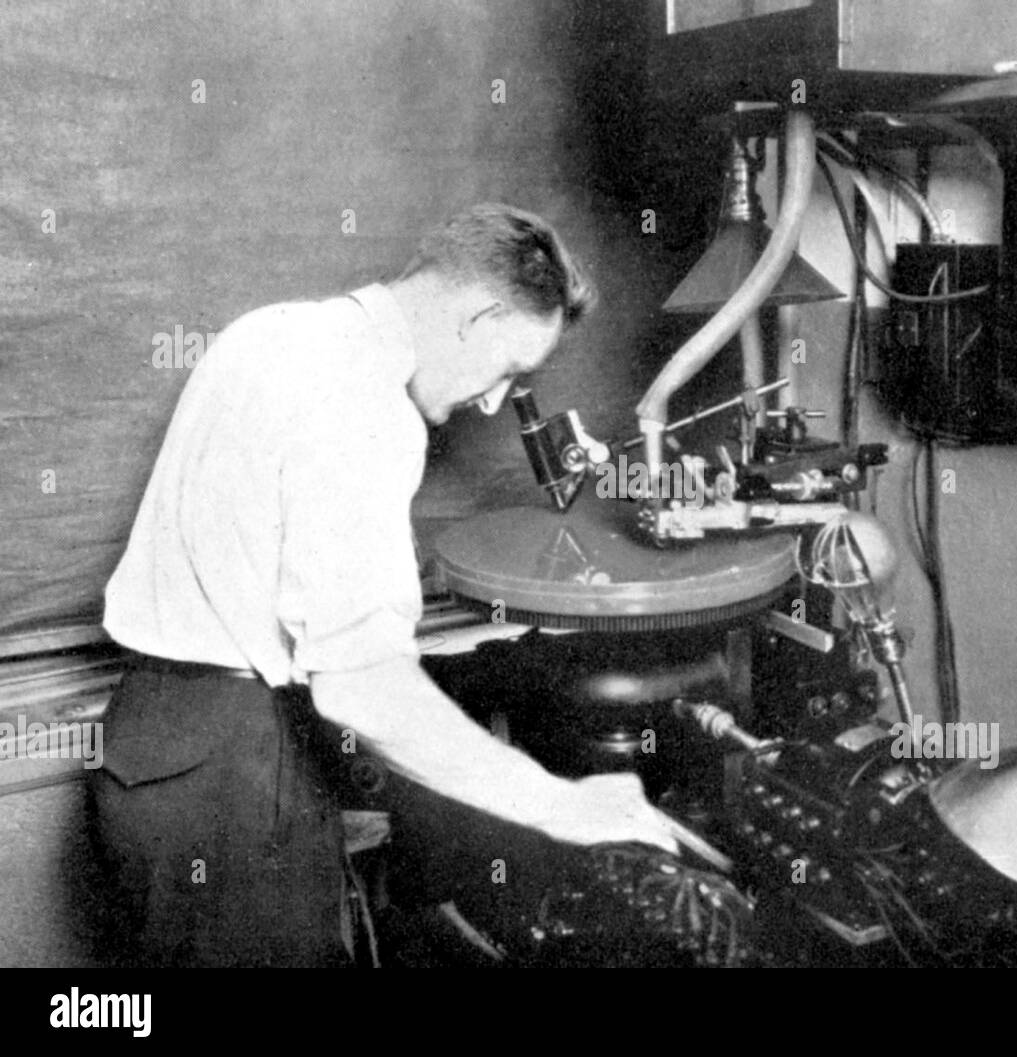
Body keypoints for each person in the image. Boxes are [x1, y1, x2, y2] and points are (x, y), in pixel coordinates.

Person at [91, 203, 679, 967]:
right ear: (479, 314)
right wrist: (563, 805)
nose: (498, 401)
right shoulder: (365, 404)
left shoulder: (271, 332)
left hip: (145, 751)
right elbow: (360, 689)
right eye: (509, 369)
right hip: (231, 779)